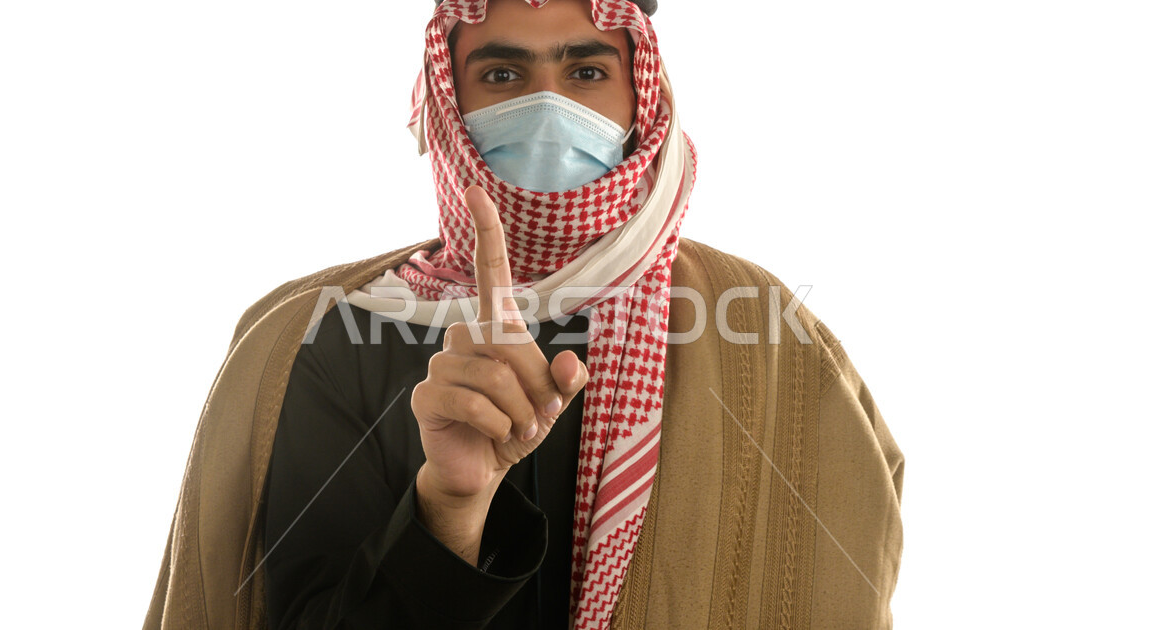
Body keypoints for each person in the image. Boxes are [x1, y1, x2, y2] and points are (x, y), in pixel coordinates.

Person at [142, 1, 905, 629]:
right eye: (503, 73)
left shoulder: (772, 341)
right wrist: (450, 508)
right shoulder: (333, 335)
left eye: (586, 71)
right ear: (447, 105)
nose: (548, 108)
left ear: (645, 102)